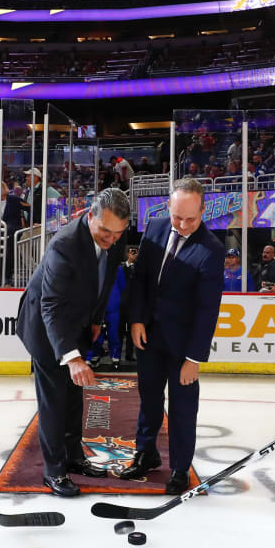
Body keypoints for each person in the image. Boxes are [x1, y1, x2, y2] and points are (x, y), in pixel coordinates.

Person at [15, 188, 130, 497]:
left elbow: (105, 281)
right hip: (45, 326)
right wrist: (72, 357)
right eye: (105, 232)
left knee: (74, 395)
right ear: (90, 216)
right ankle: (54, 471)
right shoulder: (63, 245)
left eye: (117, 234)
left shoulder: (114, 238)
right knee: (54, 400)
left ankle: (75, 458)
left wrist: (97, 320)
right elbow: (50, 306)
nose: (110, 239)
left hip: (78, 320)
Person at [119, 178, 224, 495]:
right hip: (149, 337)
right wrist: (137, 319)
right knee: (149, 399)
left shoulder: (211, 250)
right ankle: (145, 453)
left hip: (183, 347)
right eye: (177, 217)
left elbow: (208, 309)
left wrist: (194, 358)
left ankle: (179, 467)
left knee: (182, 408)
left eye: (190, 219)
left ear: (203, 210)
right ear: (168, 207)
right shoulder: (155, 227)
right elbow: (140, 279)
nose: (182, 225)